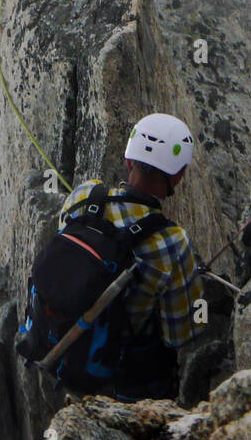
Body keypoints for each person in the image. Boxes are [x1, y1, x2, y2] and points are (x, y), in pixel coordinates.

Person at [55, 113, 204, 400]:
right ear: (178, 176)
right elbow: (180, 334)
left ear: (128, 160)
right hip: (128, 380)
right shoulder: (171, 241)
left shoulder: (83, 196)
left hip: (65, 348)